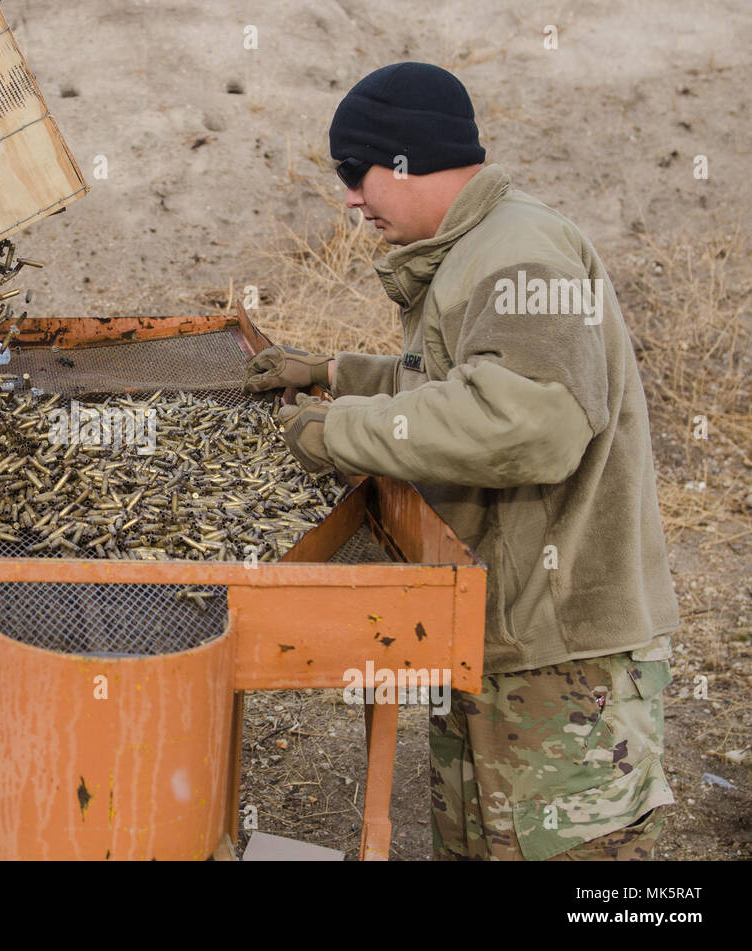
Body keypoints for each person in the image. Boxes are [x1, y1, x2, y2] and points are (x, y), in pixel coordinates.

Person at [245, 62, 680, 860]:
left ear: (405, 160)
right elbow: (453, 386)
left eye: (356, 172)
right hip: (505, 636)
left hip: (562, 656)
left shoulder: (521, 252)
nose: (349, 198)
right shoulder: (478, 245)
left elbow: (528, 422)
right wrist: (335, 374)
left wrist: (339, 430)